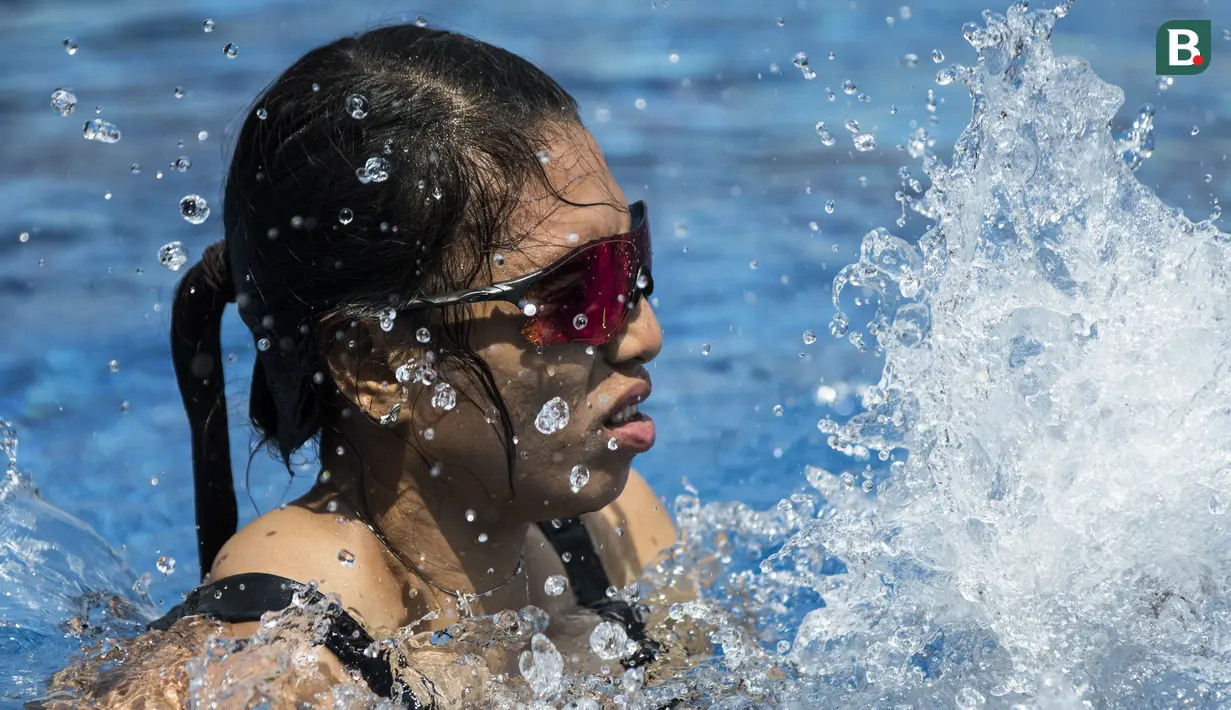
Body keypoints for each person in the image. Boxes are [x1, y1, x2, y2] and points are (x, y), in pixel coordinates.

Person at [48, 23, 678, 708]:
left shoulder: (611, 531)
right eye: (578, 293)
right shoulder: (271, 669)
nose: (644, 335)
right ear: (376, 364)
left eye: (631, 268)